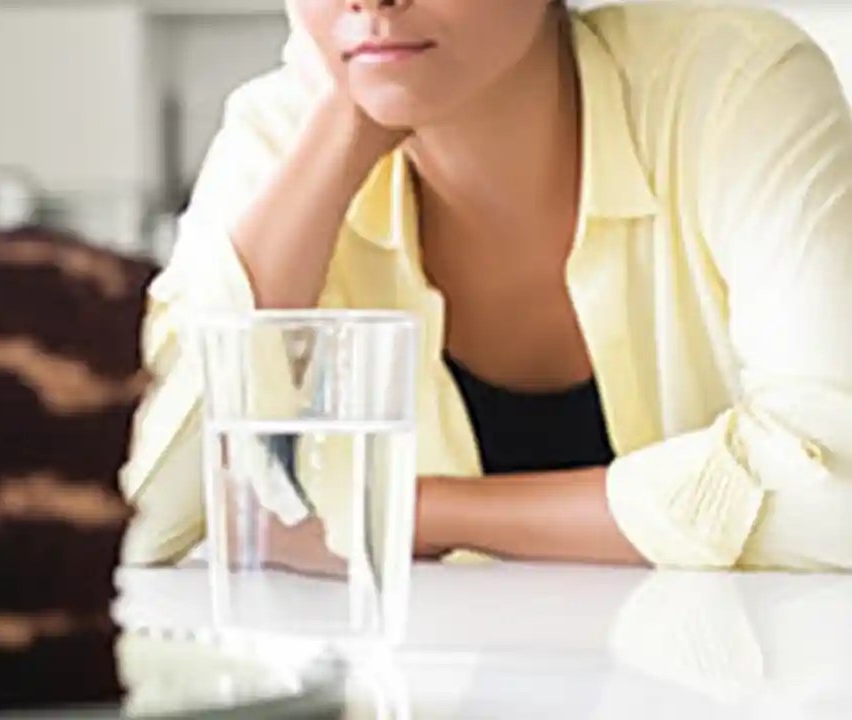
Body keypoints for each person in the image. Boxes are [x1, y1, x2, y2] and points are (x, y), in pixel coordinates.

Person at [121, 0, 852, 571]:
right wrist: (344, 133)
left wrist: (424, 512)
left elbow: (838, 482)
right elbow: (131, 512)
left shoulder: (731, 85)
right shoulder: (283, 134)